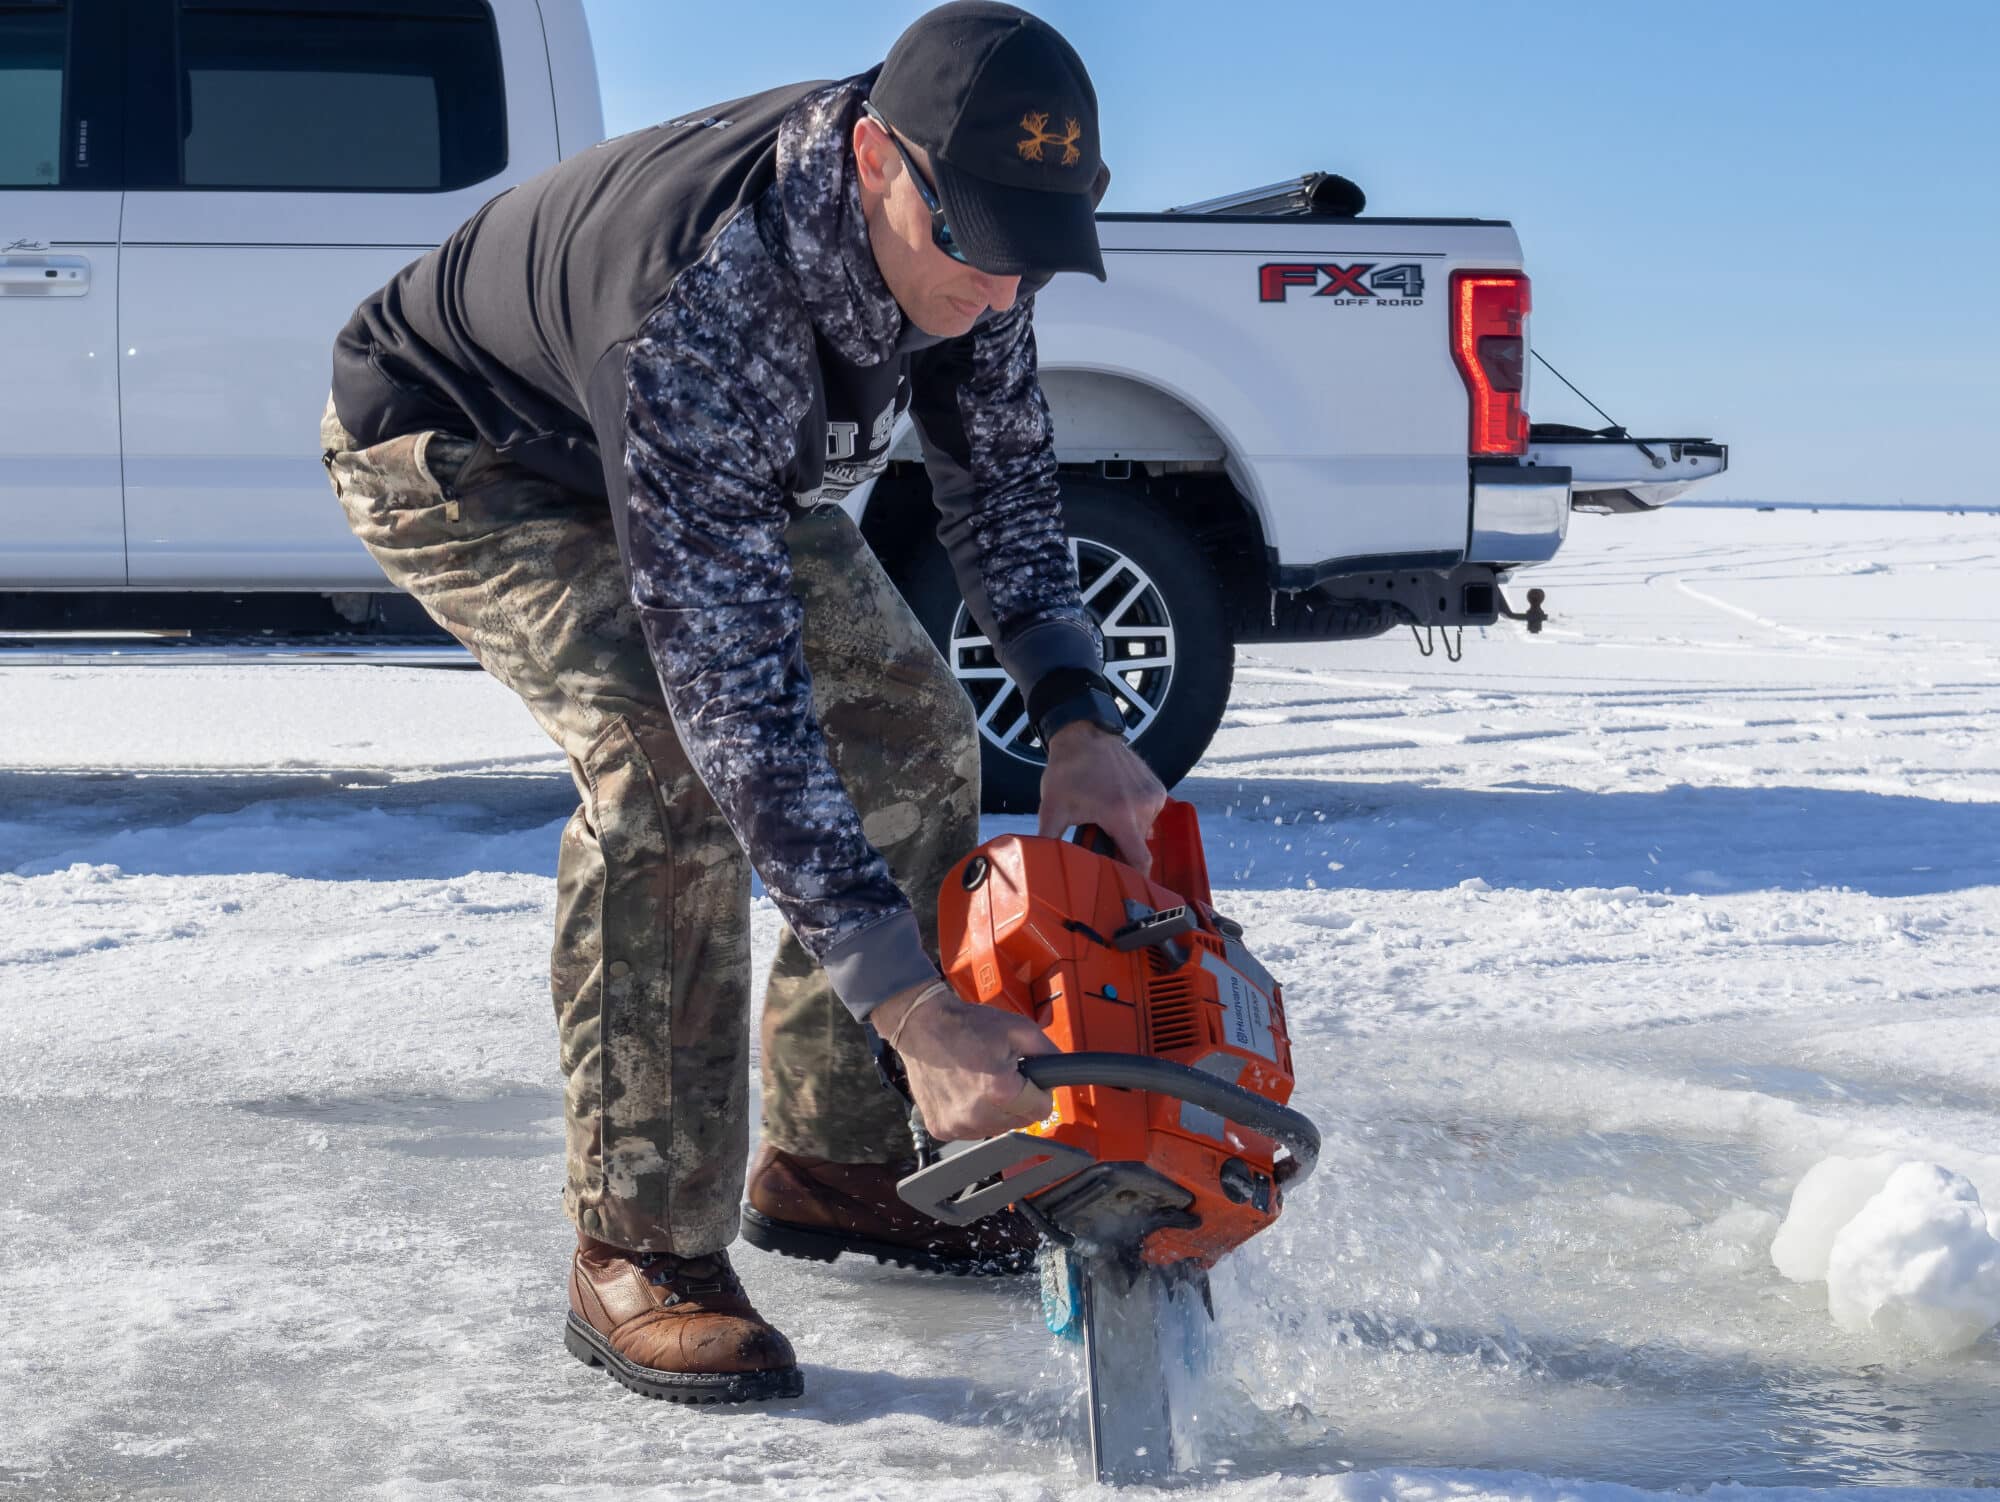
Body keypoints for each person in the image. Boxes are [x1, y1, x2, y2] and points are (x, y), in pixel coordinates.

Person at [320, 0, 1163, 1403]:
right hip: (469, 454)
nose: (1004, 293)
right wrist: (913, 1000)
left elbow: (1002, 477)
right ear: (885, 165)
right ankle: (636, 1244)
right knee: (665, 771)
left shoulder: (978, 234)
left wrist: (1079, 714)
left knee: (912, 723)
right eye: (979, 251)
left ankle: (838, 1160)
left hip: (699, 468)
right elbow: (736, 702)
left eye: (1034, 257)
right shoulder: (702, 300)